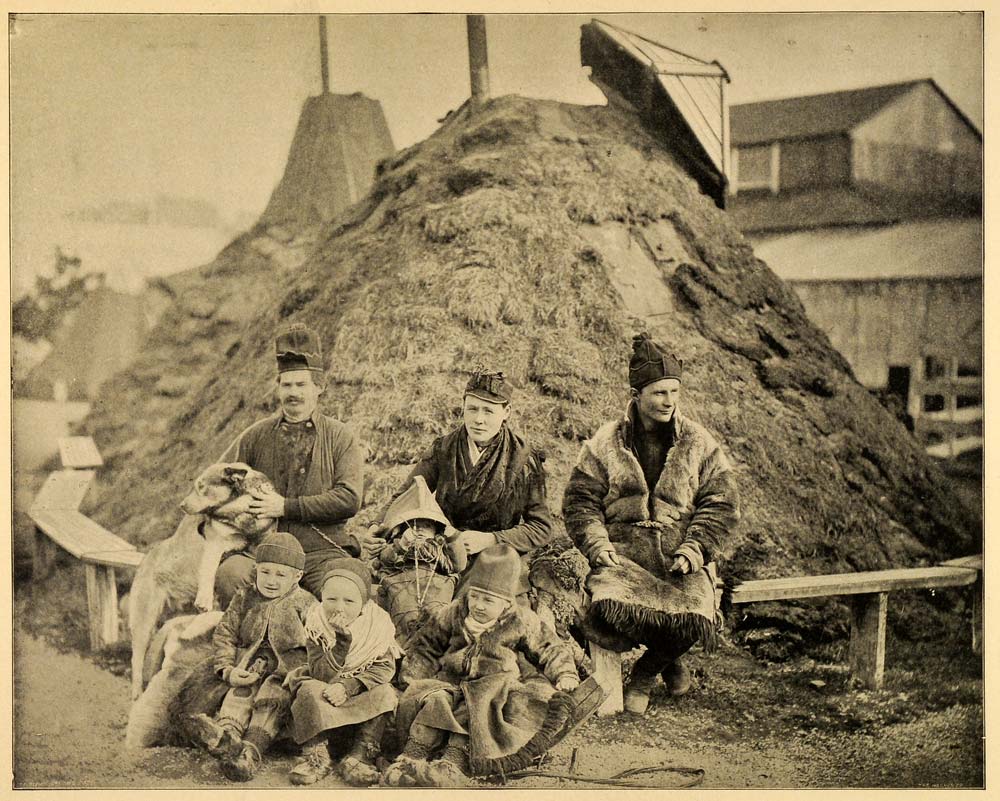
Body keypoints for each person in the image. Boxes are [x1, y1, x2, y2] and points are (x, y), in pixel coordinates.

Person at [562, 333, 741, 716]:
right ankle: (669, 658)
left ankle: (646, 672)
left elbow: (722, 502)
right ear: (636, 394)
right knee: (604, 608)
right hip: (623, 553)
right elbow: (580, 501)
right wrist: (597, 544)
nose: (669, 401)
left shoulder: (699, 441)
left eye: (674, 391)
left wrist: (695, 549)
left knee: (698, 613)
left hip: (681, 554)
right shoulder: (605, 442)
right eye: (659, 392)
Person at [386, 544, 580, 787]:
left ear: (505, 602)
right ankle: (411, 757)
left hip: (494, 684)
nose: (478, 605)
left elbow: (550, 647)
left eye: (488, 600)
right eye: (474, 596)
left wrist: (565, 673)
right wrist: (413, 677)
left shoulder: (521, 619)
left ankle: (452, 763)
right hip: (451, 679)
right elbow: (427, 645)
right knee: (436, 699)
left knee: (476, 709)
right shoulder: (454, 612)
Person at [214, 323, 365, 604]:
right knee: (231, 573)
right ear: (278, 388)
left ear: (319, 387)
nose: (293, 393)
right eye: (286, 385)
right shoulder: (254, 436)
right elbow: (223, 490)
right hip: (265, 553)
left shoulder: (340, 437)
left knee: (346, 584)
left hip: (321, 552)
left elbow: (349, 498)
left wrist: (285, 507)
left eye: (301, 384)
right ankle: (253, 646)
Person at [370, 368, 552, 596]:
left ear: (506, 412)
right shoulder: (444, 449)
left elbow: (541, 527)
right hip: (443, 546)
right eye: (472, 409)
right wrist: (376, 528)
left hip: (494, 555)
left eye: (488, 411)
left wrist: (490, 539)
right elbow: (405, 494)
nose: (479, 419)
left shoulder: (524, 461)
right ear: (463, 408)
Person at [174, 533, 316, 781]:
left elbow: (316, 643)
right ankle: (225, 740)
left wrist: (299, 673)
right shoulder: (245, 597)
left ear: (297, 577)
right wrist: (227, 669)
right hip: (247, 666)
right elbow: (225, 633)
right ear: (256, 570)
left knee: (271, 702)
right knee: (237, 697)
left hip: (284, 673)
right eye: (265, 572)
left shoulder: (306, 603)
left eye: (281, 575)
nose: (271, 581)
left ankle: (250, 753)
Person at [285, 559, 401, 786]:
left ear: (364, 604)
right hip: (327, 691)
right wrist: (341, 643)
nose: (339, 607)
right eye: (331, 599)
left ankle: (360, 756)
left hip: (358, 691)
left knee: (386, 693)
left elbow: (385, 668)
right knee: (308, 688)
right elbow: (320, 673)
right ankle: (317, 756)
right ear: (321, 598)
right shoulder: (317, 623)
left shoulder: (377, 625)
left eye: (349, 601)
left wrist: (349, 687)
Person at [372, 475, 468, 646]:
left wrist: (453, 538)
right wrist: (402, 545)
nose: (420, 530)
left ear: (436, 532)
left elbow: (459, 564)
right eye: (414, 526)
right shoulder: (399, 545)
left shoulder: (439, 550)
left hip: (435, 587)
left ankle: (435, 648)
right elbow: (386, 559)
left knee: (438, 619)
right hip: (402, 585)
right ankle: (403, 647)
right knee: (405, 617)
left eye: (427, 526)